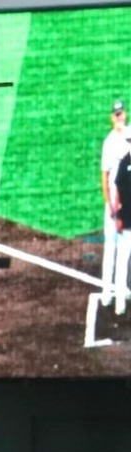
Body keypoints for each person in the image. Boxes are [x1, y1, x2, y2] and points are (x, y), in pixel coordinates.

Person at [102, 99, 131, 314]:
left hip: (128, 204)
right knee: (111, 248)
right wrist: (109, 204)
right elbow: (104, 176)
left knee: (125, 252)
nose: (120, 117)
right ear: (112, 118)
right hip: (113, 203)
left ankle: (121, 297)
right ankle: (106, 295)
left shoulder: (129, 135)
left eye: (122, 114)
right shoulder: (109, 142)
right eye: (116, 115)